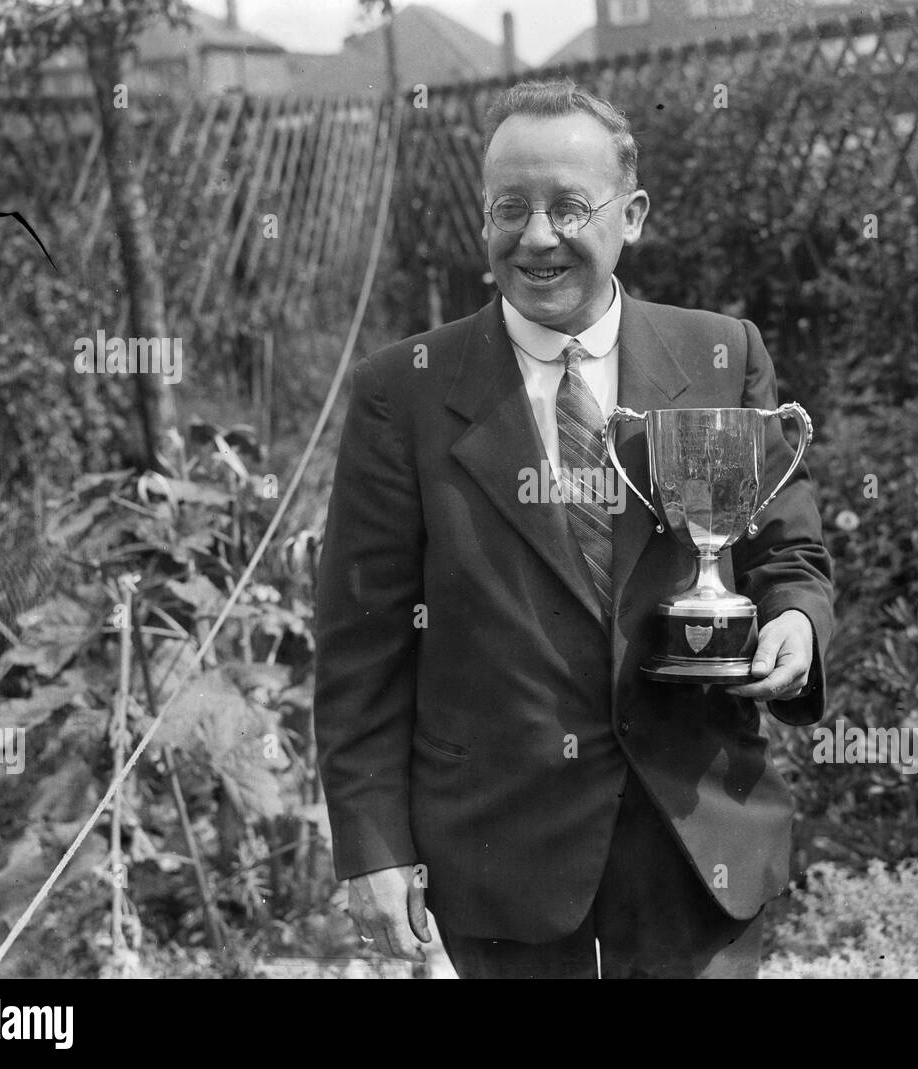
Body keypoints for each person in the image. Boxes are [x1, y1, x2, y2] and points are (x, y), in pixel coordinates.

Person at [314, 79, 834, 979]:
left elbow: (788, 555)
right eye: (510, 209)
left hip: (695, 843)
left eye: (568, 206)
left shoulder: (721, 356)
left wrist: (795, 624)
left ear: (631, 214)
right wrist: (371, 845)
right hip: (498, 859)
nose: (538, 237)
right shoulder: (404, 392)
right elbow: (361, 646)